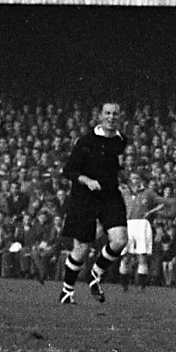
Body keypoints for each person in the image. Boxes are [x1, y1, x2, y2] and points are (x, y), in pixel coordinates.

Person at [58, 101, 130, 305]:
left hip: (109, 195)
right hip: (85, 196)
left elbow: (114, 166)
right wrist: (87, 181)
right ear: (100, 115)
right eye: (107, 113)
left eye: (115, 114)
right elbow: (69, 170)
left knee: (120, 240)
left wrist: (122, 179)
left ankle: (95, 275)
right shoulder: (86, 141)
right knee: (81, 248)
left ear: (120, 117)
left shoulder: (121, 140)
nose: (111, 117)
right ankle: (67, 291)